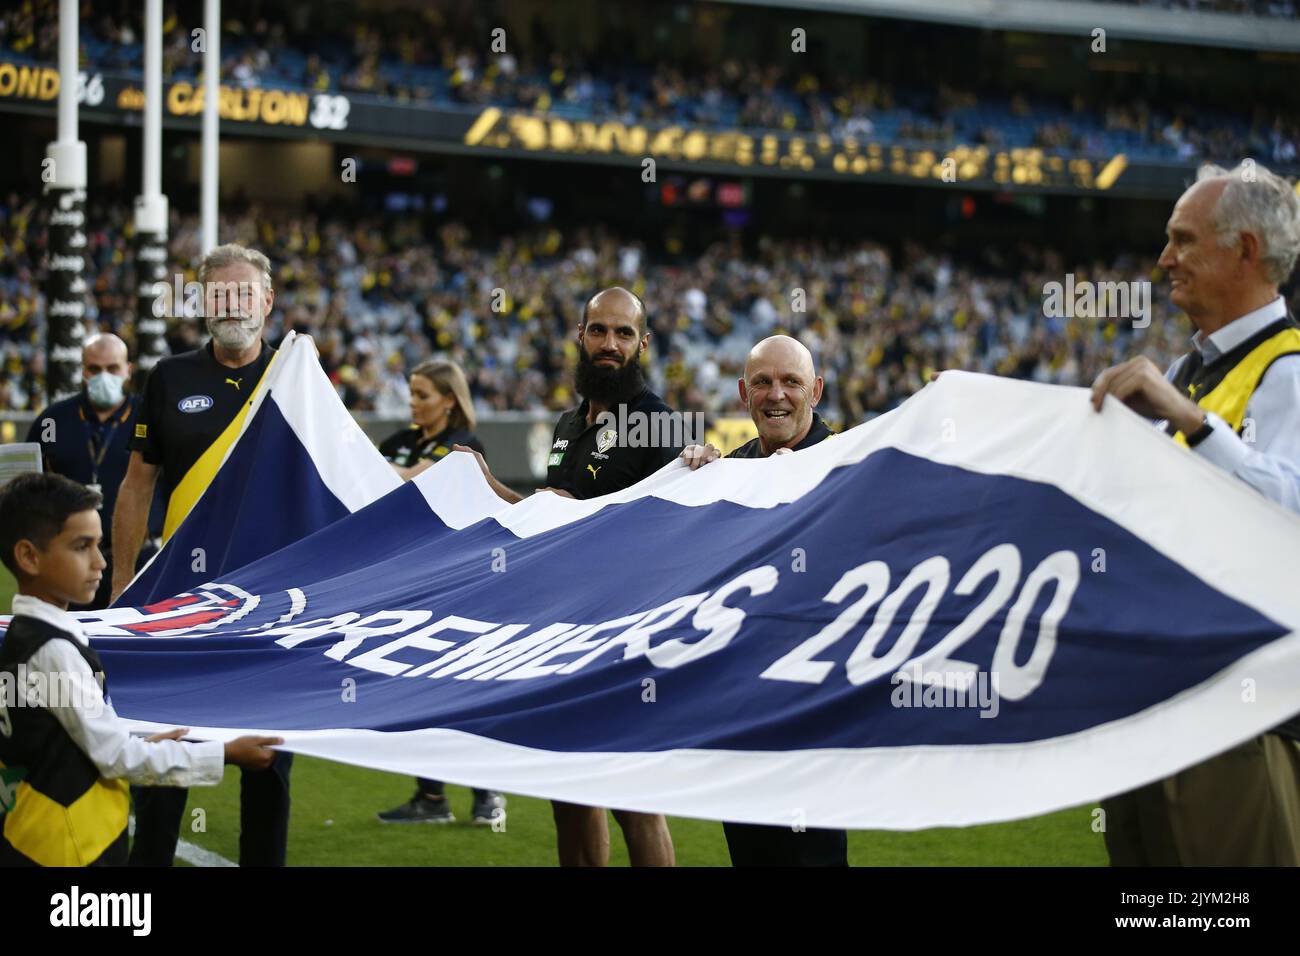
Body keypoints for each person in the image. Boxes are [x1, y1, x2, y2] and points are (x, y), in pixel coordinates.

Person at [1091, 161, 1300, 865]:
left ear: (1244, 249)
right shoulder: (1184, 374)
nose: (1164, 259)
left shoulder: (1291, 370)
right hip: (1154, 698)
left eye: (1182, 239)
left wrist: (1192, 421)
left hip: (1246, 715)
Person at [459, 286, 680, 866]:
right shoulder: (566, 424)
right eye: (599, 330)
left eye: (624, 333)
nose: (610, 343)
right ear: (580, 336)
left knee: (633, 795)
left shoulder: (656, 423)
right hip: (562, 629)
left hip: (627, 631)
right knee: (568, 792)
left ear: (643, 344)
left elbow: (670, 527)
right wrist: (483, 483)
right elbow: (551, 510)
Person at [110, 242, 292, 867]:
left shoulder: (297, 377)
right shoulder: (169, 376)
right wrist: (122, 589)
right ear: (203, 301)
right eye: (220, 293)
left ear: (267, 301)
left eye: (245, 292)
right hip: (181, 600)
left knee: (267, 762)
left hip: (270, 604)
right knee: (170, 753)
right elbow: (138, 485)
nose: (232, 304)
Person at [0, 472, 281, 866]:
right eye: (82, 547)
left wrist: (143, 745)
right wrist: (225, 754)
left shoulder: (22, 636)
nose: (100, 562)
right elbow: (115, 757)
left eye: (101, 545)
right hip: (72, 843)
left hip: (32, 832)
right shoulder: (53, 651)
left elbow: (58, 741)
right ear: (29, 556)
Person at [680, 334, 848, 866]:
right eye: (763, 382)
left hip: (812, 703)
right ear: (742, 393)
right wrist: (695, 486)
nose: (777, 394)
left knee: (813, 859)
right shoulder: (730, 471)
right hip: (741, 701)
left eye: (791, 382)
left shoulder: (851, 465)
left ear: (816, 390)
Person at [374, 359, 506, 825]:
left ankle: (488, 794)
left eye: (423, 395)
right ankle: (431, 798)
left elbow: (403, 480)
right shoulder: (400, 442)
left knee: (463, 689)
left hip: (459, 584)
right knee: (416, 689)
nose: (413, 402)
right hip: (408, 582)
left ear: (450, 400)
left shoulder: (465, 446)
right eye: (411, 393)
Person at [25, 334, 162, 610]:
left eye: (112, 368)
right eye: (94, 369)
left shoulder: (150, 416)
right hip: (67, 559)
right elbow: (28, 489)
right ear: (83, 370)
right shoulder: (53, 419)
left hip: (140, 557)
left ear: (127, 370)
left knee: (130, 646)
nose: (104, 376)